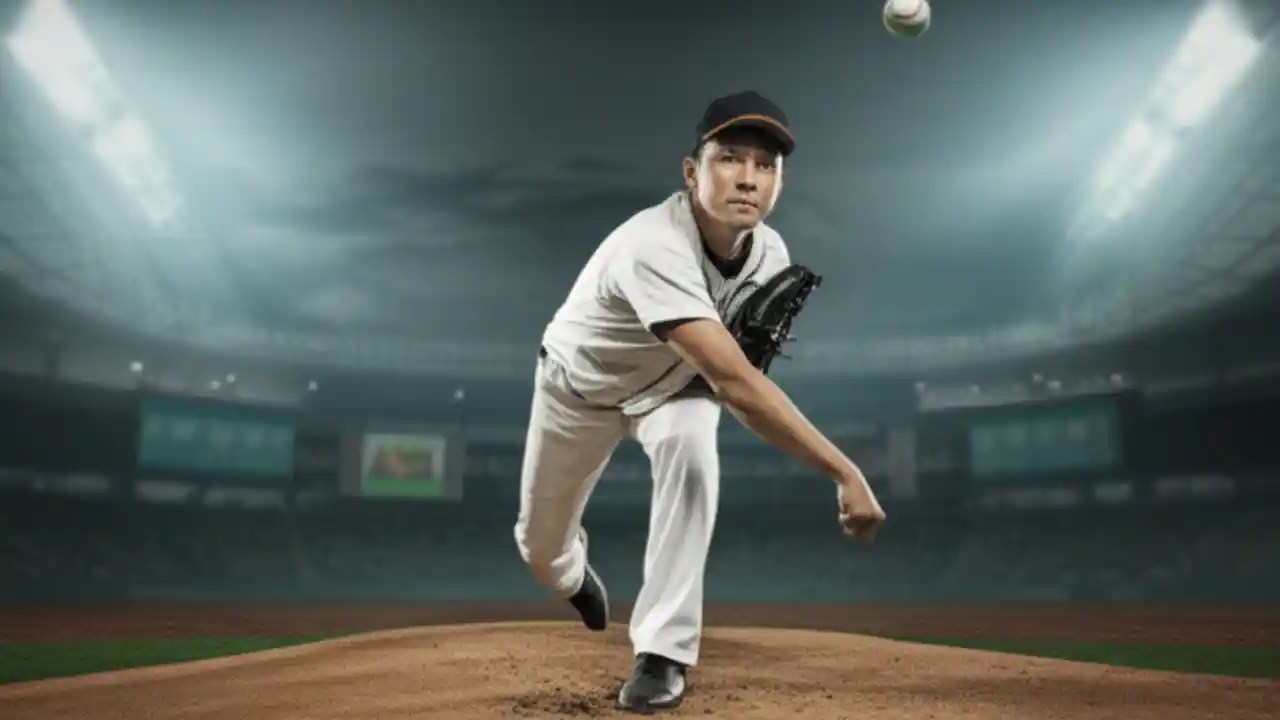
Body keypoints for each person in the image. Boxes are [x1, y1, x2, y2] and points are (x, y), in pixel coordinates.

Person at [513, 90, 886, 714]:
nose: (748, 177)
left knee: (692, 448)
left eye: (765, 165)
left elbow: (734, 382)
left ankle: (663, 651)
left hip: (671, 389)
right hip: (578, 390)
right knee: (539, 548)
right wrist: (845, 471)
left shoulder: (769, 254)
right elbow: (737, 383)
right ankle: (571, 574)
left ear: (780, 182)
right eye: (730, 158)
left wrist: (737, 378)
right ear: (692, 171)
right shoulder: (651, 243)